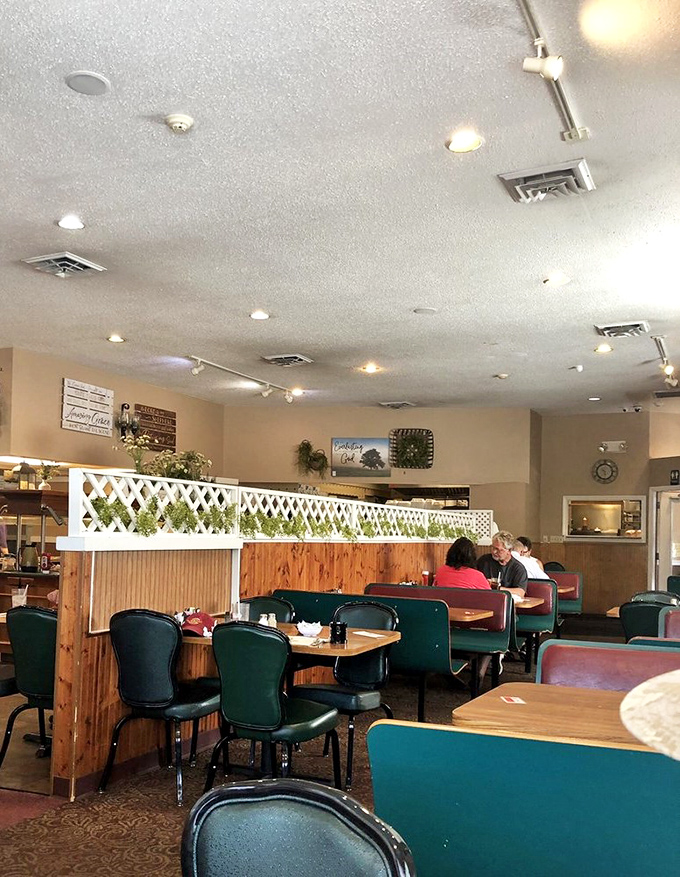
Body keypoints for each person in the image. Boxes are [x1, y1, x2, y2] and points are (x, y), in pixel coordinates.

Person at [477, 530, 527, 597]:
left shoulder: (518, 568)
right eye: (493, 548)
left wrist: (497, 588)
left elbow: (520, 592)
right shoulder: (484, 561)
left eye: (498, 549)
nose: (494, 552)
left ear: (509, 551)